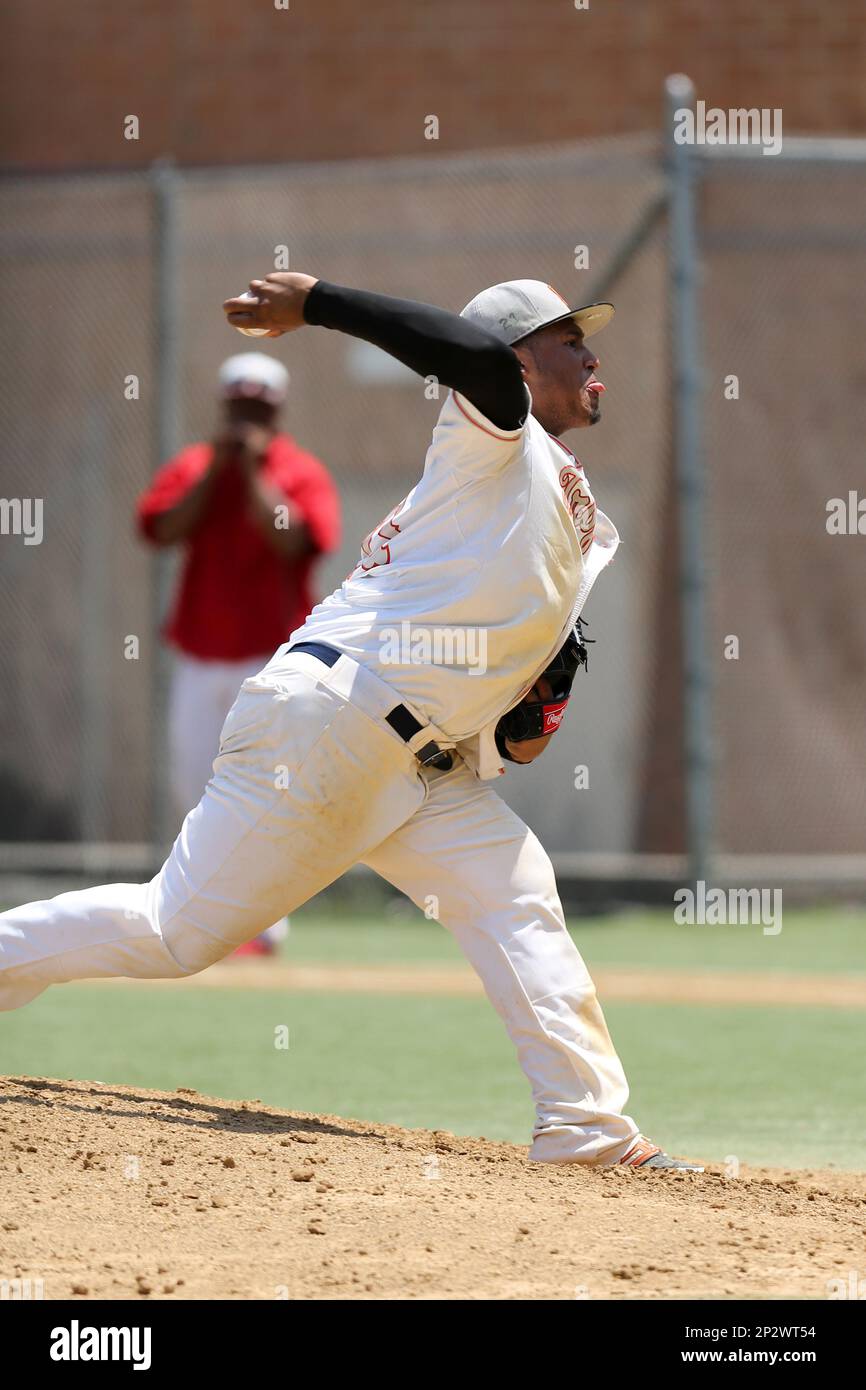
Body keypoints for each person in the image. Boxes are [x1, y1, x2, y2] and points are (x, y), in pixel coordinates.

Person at [0, 274, 702, 1172]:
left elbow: (517, 715)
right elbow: (476, 357)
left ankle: (586, 1131)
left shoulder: (553, 496)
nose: (594, 355)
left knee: (515, 893)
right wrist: (320, 303)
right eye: (571, 340)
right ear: (522, 361)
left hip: (417, 762)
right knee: (175, 932)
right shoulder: (495, 431)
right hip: (335, 720)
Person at [136, 352, 341, 954]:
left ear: (276, 412)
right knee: (192, 783)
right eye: (239, 407)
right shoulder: (196, 466)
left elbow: (296, 540)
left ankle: (263, 924)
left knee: (267, 787)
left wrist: (252, 472)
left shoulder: (296, 470)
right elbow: (159, 530)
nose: (246, 419)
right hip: (202, 652)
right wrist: (217, 472)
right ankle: (204, 914)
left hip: (272, 659)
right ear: (223, 408)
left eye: (258, 408)